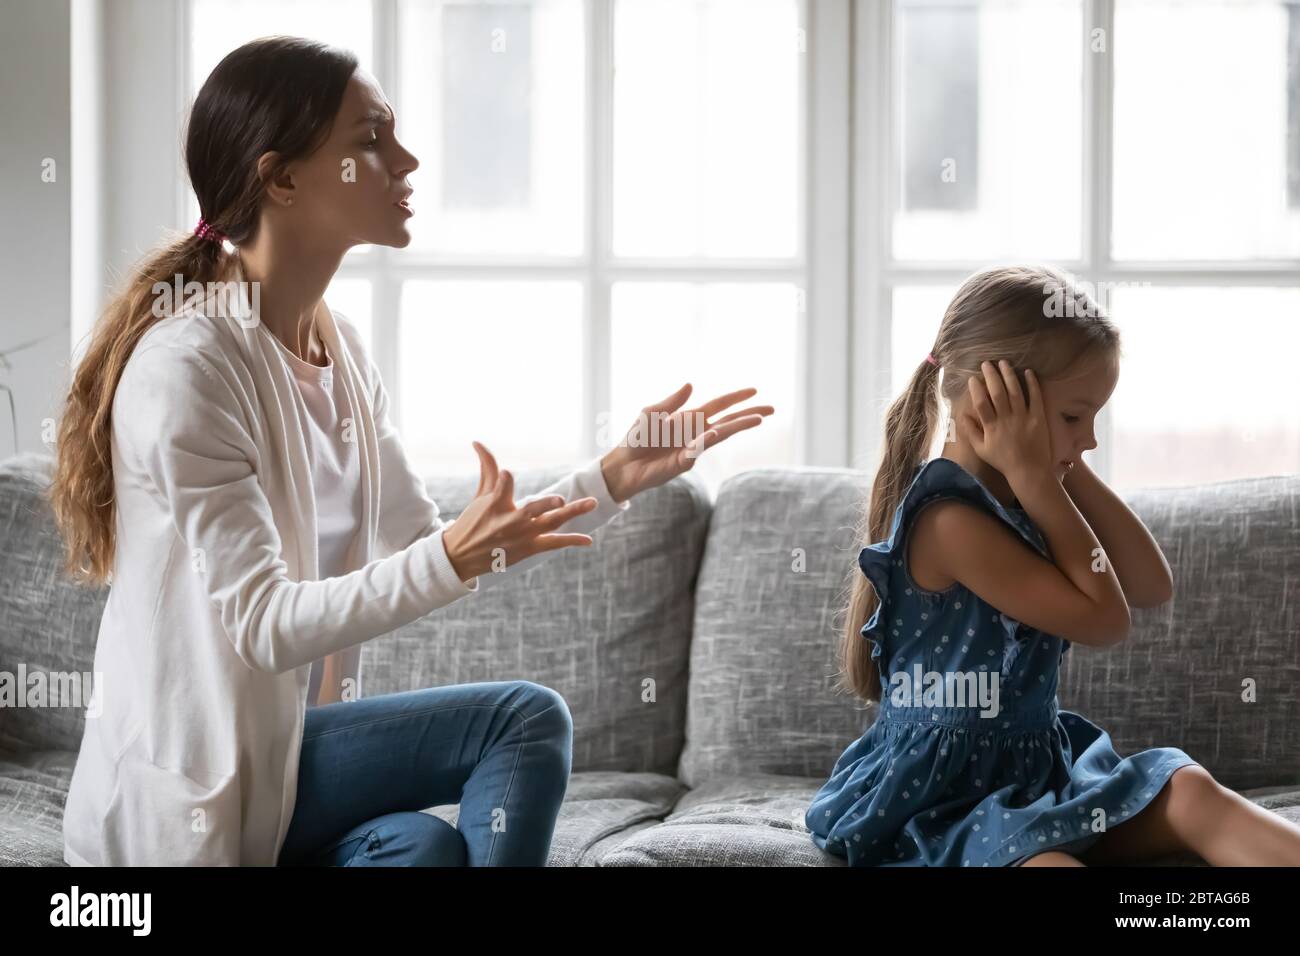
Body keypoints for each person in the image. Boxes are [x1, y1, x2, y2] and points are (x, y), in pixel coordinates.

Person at [50, 36, 772, 867]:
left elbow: (430, 543)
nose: (407, 159)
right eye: (371, 140)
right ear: (281, 179)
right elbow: (264, 626)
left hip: (282, 763)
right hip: (194, 797)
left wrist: (611, 478)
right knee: (525, 718)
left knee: (424, 849)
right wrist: (453, 558)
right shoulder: (189, 368)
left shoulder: (339, 348)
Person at [806, 264, 1300, 866]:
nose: (1089, 438)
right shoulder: (948, 523)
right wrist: (1040, 476)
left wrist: (1062, 469)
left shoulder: (1027, 497)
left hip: (1038, 775)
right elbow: (1105, 621)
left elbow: (1151, 584)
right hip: (947, 803)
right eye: (1073, 417)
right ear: (992, 403)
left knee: (1191, 792)